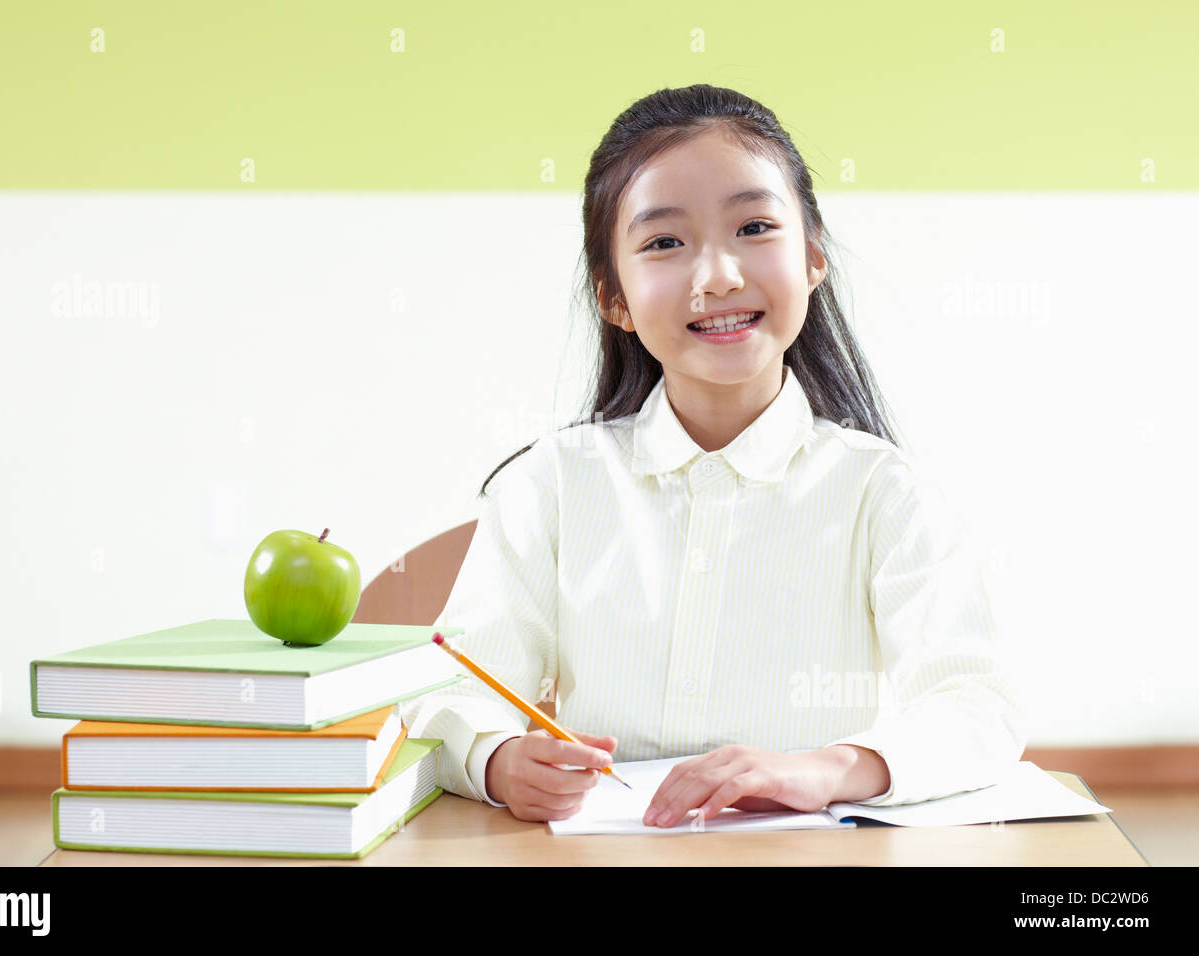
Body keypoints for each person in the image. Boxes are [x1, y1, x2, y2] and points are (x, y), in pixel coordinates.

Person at [399, 83, 1025, 827]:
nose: (718, 276)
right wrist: (499, 761)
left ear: (814, 256)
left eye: (755, 226)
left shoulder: (882, 491)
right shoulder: (554, 486)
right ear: (615, 299)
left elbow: (977, 707)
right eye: (665, 242)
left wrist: (828, 769)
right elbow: (446, 697)